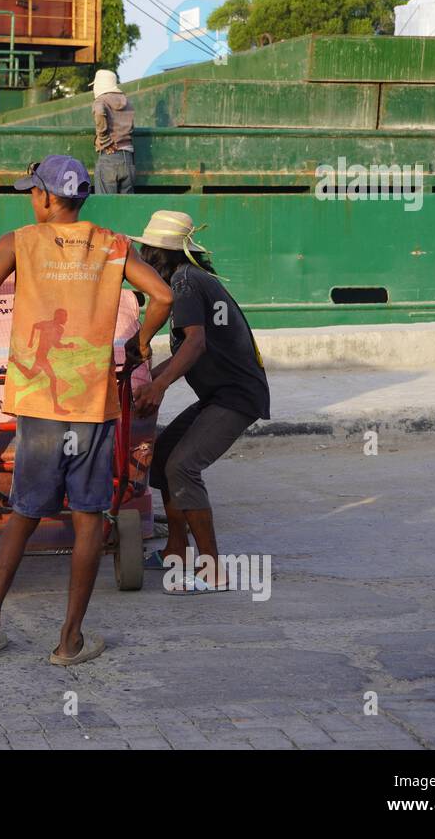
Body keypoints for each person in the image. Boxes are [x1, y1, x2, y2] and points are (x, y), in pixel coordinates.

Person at [0, 155, 173, 665]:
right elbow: (163, 297)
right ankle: (68, 641)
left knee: (23, 516)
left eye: (32, 192)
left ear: (45, 197)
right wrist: (141, 344)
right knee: (88, 520)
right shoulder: (113, 245)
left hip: (39, 406)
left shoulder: (18, 242)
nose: (30, 200)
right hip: (91, 407)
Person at [132, 210, 270, 594]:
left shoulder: (185, 283)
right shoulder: (190, 280)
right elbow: (186, 351)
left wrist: (157, 388)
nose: (142, 260)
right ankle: (177, 551)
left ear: (159, 254)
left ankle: (213, 570)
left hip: (235, 397)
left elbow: (195, 343)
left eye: (145, 252)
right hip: (218, 395)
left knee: (182, 467)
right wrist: (147, 378)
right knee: (161, 460)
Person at [91, 68, 135, 194]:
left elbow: (99, 112)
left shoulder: (101, 101)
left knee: (105, 207)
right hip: (128, 159)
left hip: (109, 158)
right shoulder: (127, 102)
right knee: (126, 209)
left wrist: (105, 140)